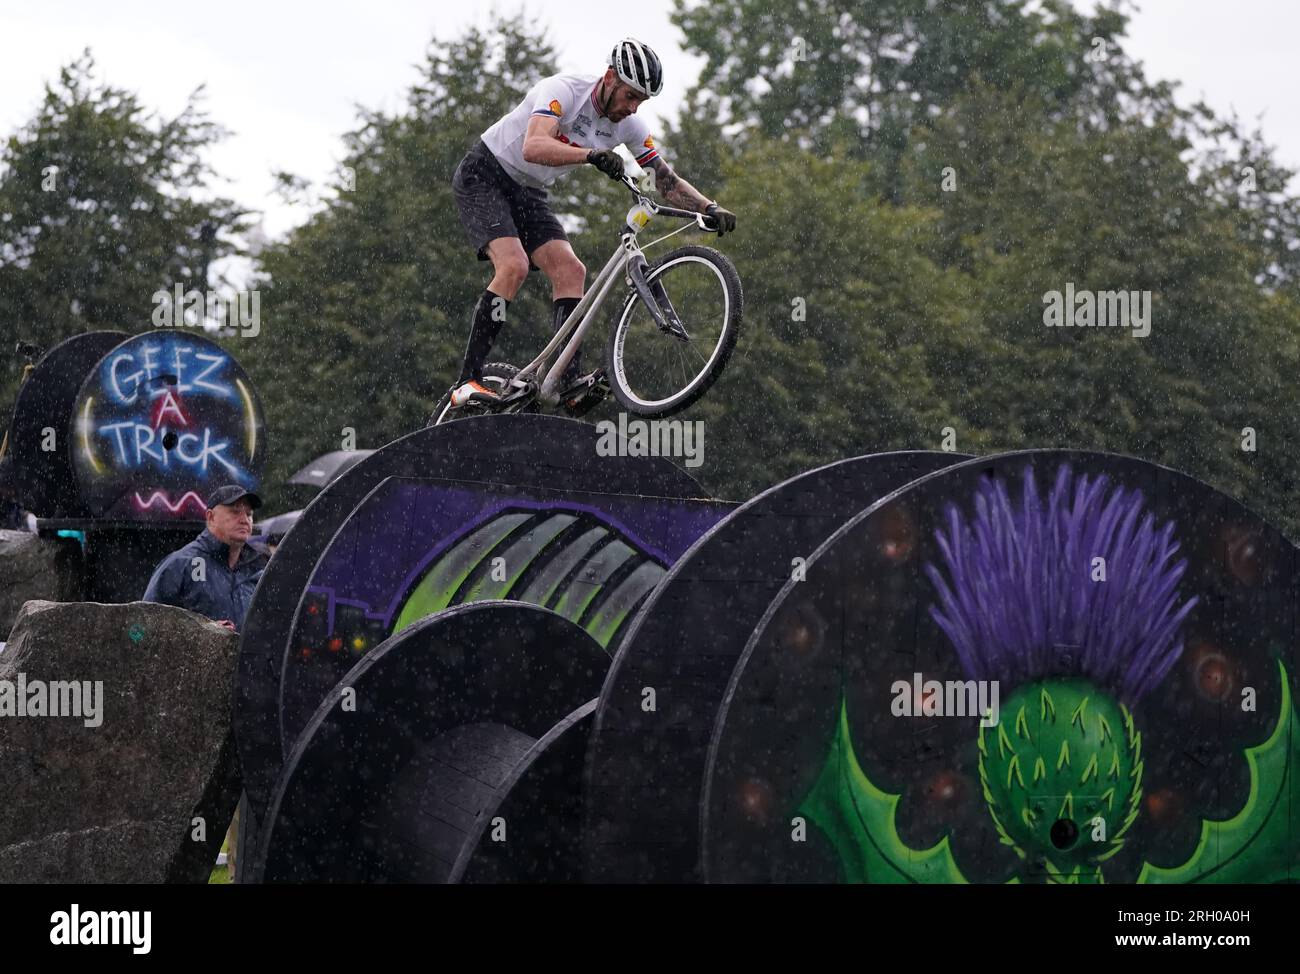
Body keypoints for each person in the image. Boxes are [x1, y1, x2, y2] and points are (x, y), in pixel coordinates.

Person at [448, 37, 738, 414]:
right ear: (610, 78)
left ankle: (567, 384)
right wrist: (591, 155)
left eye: (641, 102)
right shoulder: (563, 91)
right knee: (514, 265)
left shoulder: (629, 124)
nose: (632, 107)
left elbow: (663, 179)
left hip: (530, 192)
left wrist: (708, 207)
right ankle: (466, 382)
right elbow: (533, 147)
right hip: (485, 175)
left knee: (571, 269)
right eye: (630, 96)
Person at [141, 485, 267, 631]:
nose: (245, 520)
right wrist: (202, 635)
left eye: (249, 514)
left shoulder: (259, 569)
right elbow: (139, 630)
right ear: (211, 517)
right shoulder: (181, 564)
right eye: (235, 512)